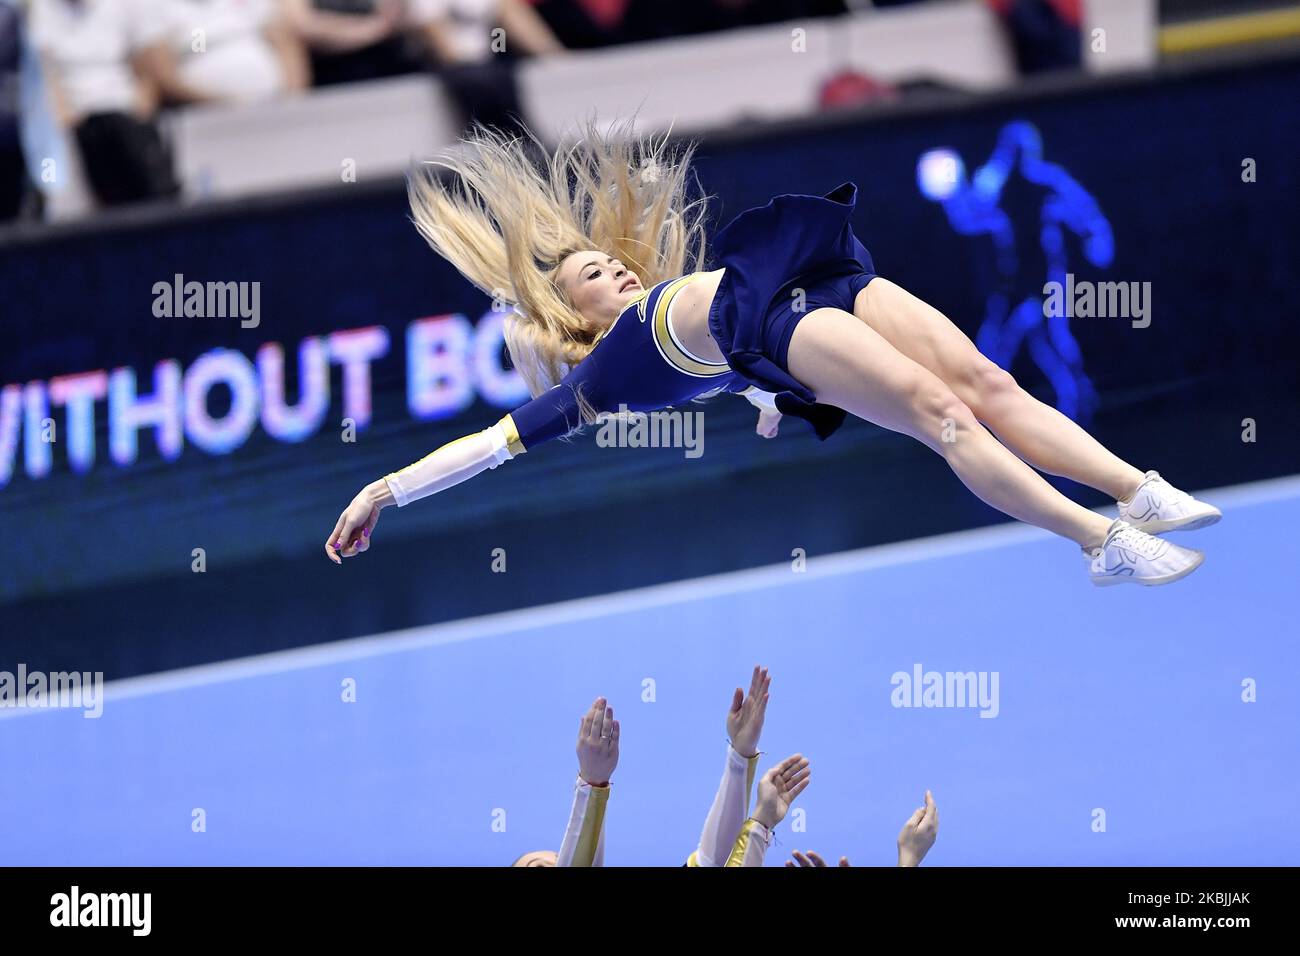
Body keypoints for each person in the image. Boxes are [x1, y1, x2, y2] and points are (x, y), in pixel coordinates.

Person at [324, 116, 1222, 587]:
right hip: (775, 322)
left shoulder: (674, 321)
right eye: (593, 276)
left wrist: (762, 404)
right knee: (942, 416)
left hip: (813, 281)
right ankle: (1097, 540)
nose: (616, 269)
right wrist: (380, 489)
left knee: (983, 380)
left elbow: (736, 382)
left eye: (611, 258)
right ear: (577, 322)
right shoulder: (606, 377)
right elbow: (487, 450)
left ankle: (1131, 487)